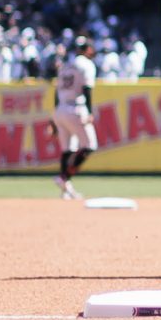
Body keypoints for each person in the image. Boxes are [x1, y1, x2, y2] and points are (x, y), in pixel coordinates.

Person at [54, 38, 98, 201]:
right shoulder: (86, 64)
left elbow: (56, 91)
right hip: (76, 107)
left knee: (68, 150)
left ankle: (65, 189)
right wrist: (90, 111)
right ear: (86, 49)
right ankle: (64, 177)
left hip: (61, 108)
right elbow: (86, 89)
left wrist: (55, 115)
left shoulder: (66, 64)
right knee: (90, 146)